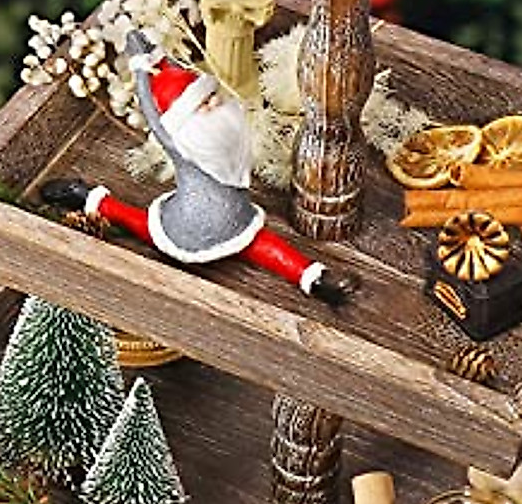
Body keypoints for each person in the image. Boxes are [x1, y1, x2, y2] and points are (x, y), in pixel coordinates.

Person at [42, 31, 357, 304]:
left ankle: (313, 278)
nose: (215, 106)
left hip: (236, 216)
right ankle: (91, 199)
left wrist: (161, 56)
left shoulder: (227, 144)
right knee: (145, 226)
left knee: (259, 243)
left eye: (211, 97)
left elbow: (186, 83)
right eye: (201, 106)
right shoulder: (177, 140)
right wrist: (140, 69)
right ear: (181, 123)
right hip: (190, 222)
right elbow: (152, 110)